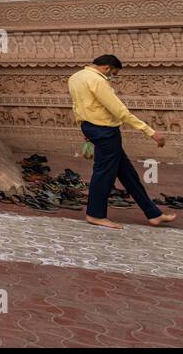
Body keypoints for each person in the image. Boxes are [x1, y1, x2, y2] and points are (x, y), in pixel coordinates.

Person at [70, 54, 174, 229]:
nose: (112, 77)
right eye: (113, 73)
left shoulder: (76, 77)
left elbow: (77, 106)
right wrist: (150, 131)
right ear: (107, 68)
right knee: (104, 174)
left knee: (127, 174)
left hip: (91, 127)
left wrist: (85, 130)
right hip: (105, 132)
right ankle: (95, 214)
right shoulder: (98, 81)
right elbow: (120, 111)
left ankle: (153, 214)